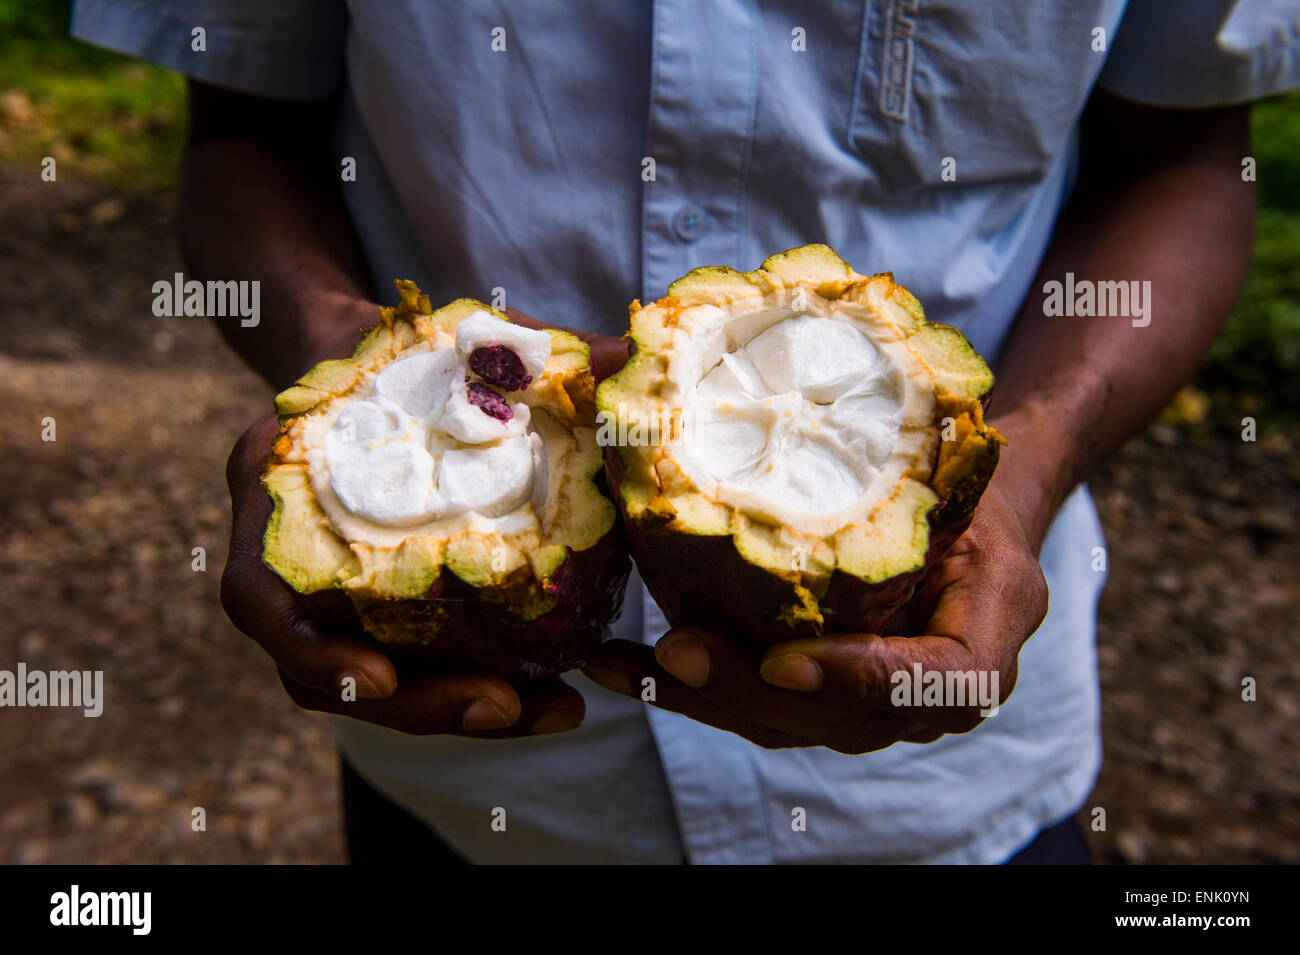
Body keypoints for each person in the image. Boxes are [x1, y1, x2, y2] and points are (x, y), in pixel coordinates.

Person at [73, 0, 1298, 864]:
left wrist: (1023, 462)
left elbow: (1189, 151)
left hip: (951, 792)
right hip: (477, 792)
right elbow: (240, 130)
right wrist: (347, 375)